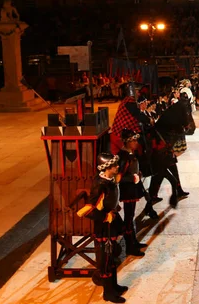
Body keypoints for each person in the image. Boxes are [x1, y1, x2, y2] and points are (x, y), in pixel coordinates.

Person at [77, 153, 127, 303]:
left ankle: (114, 286)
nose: (117, 167)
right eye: (114, 165)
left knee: (111, 257)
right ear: (107, 168)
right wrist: (105, 216)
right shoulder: (100, 185)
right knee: (105, 259)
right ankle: (108, 293)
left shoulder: (109, 180)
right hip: (103, 227)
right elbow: (87, 209)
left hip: (111, 222)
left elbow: (110, 200)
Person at [117, 129, 148, 257]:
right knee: (129, 219)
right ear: (127, 142)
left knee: (131, 217)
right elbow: (119, 177)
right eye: (134, 140)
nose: (136, 143)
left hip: (133, 189)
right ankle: (130, 246)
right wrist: (133, 178)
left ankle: (134, 242)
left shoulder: (131, 153)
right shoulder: (124, 157)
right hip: (128, 191)